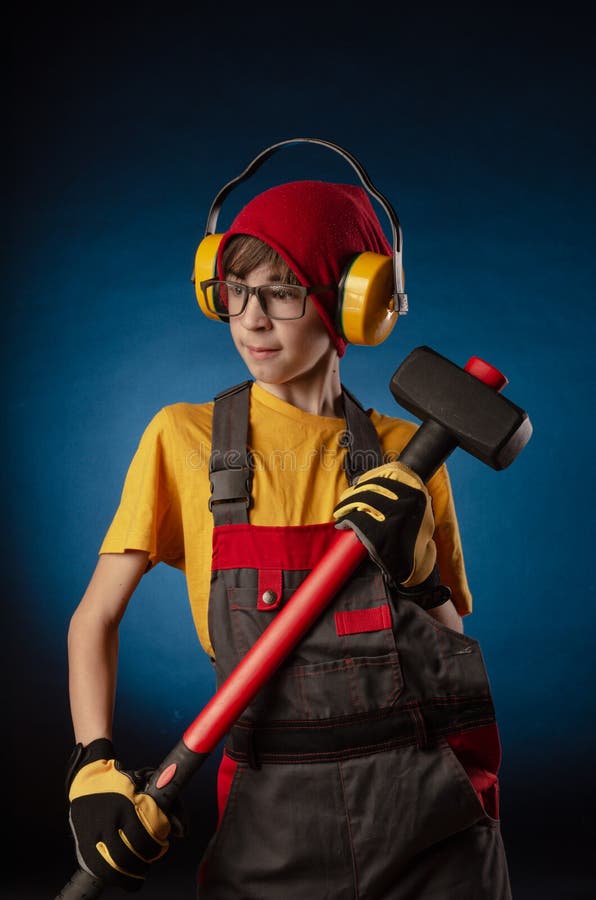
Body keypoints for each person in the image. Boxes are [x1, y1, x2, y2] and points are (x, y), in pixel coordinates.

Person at [65, 152, 512, 899]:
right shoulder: (184, 439)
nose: (251, 319)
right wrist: (92, 764)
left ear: (353, 305)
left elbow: (450, 644)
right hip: (270, 817)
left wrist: (418, 576)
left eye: (282, 292)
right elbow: (95, 617)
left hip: (426, 816)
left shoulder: (406, 455)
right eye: (236, 291)